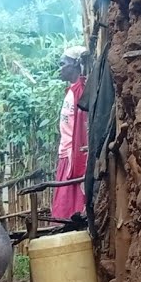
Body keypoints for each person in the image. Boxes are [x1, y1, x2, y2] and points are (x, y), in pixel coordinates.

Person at [52, 46, 89, 221]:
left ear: (74, 64)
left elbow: (82, 130)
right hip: (66, 155)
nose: (60, 68)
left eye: (63, 63)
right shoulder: (71, 92)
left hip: (73, 157)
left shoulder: (80, 92)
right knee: (64, 208)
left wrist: (79, 159)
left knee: (69, 210)